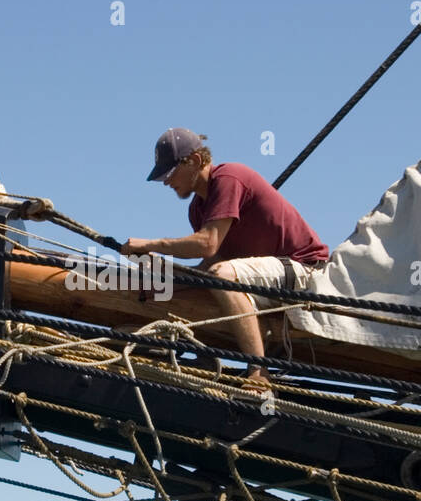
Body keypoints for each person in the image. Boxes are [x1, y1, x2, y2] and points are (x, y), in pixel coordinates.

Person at [121, 128, 329, 389]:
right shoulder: (198, 209)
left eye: (170, 173)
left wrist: (151, 243)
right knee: (210, 280)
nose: (166, 182)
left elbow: (208, 245)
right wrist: (156, 271)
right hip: (264, 280)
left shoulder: (229, 177)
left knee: (221, 276)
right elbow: (206, 267)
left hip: (304, 272)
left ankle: (258, 372)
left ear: (195, 161)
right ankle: (204, 356)